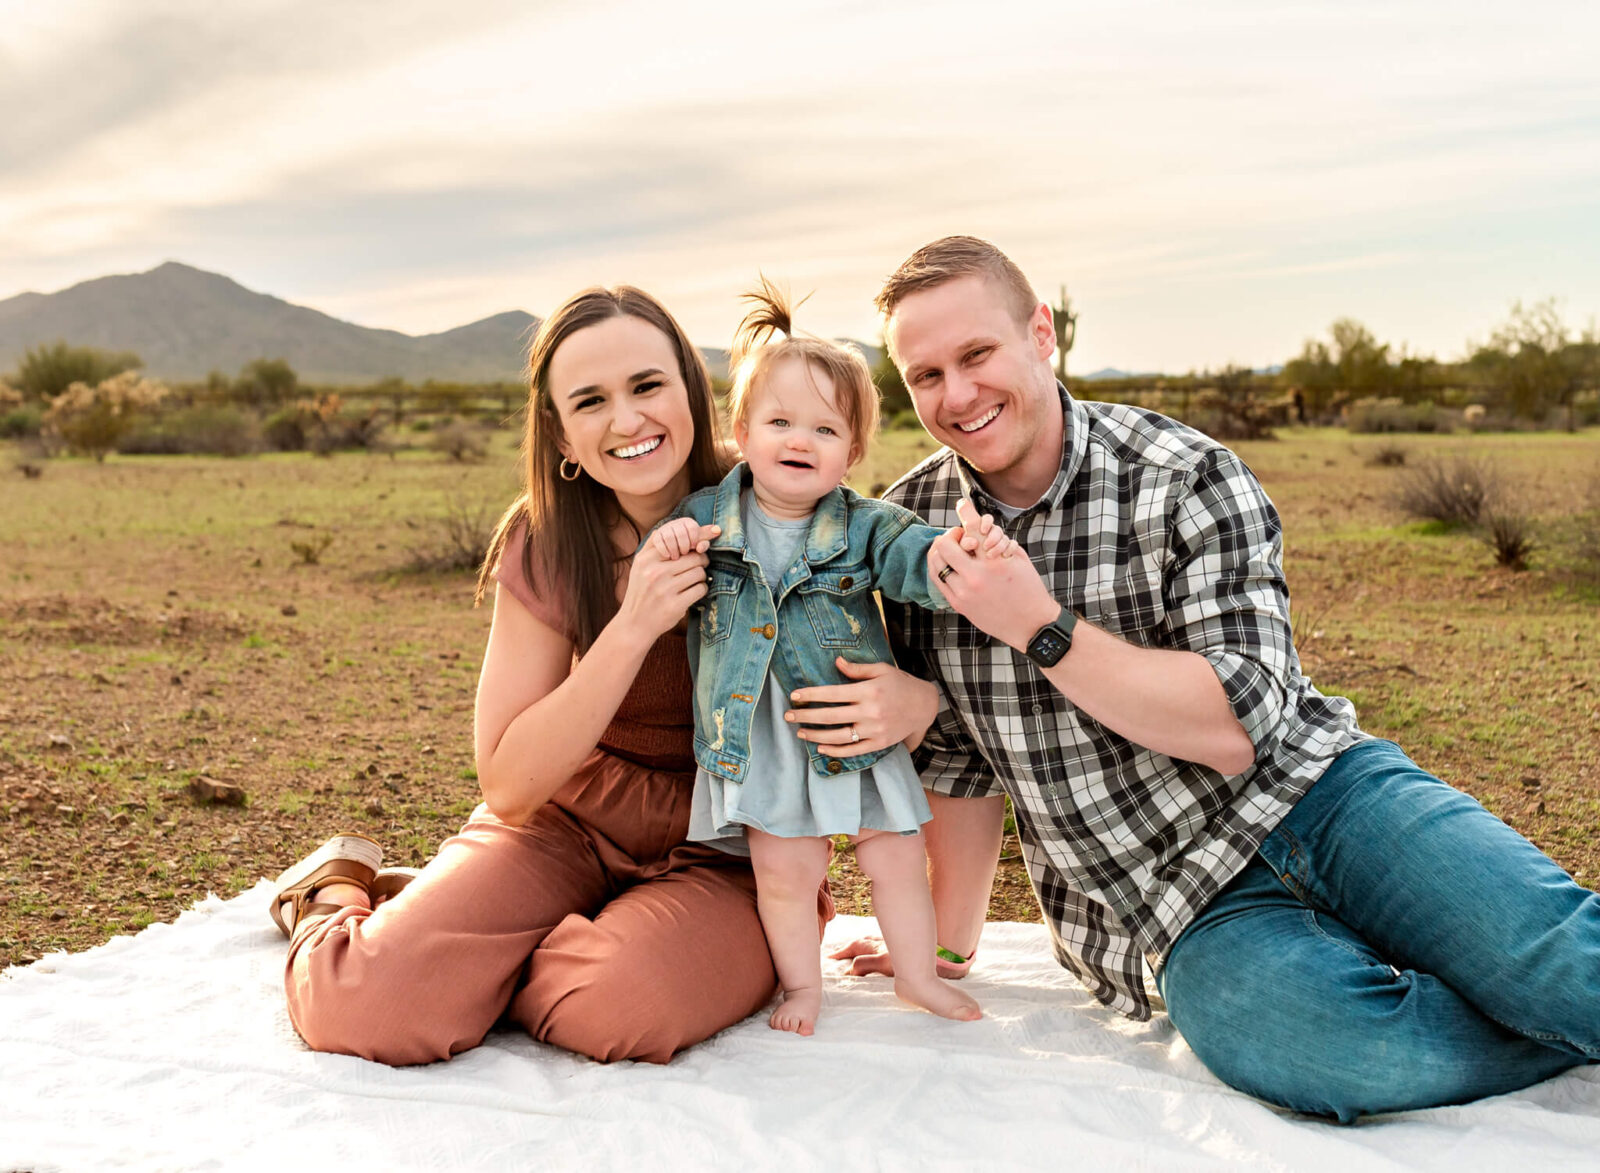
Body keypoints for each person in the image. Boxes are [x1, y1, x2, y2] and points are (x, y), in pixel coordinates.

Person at [833, 234, 1600, 1121]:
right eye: (925, 375)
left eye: (976, 354)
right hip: (1173, 902)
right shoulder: (914, 533)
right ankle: (1524, 1023)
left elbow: (1237, 724)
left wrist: (1039, 625)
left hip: (1324, 798)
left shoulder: (1182, 471)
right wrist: (947, 948)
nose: (956, 394)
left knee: (1559, 957)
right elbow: (964, 758)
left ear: (1042, 333)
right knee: (1332, 1048)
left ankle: (1529, 990)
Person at [267, 284, 807, 1065]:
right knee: (367, 1005)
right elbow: (510, 785)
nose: (627, 420)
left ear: (693, 387)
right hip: (569, 819)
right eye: (590, 401)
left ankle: (478, 954)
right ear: (559, 429)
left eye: (648, 385)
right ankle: (333, 894)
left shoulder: (781, 503)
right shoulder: (548, 537)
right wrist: (633, 625)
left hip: (731, 846)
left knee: (620, 1006)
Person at [649, 282, 1006, 1035]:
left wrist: (954, 555)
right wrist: (668, 545)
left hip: (855, 730)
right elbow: (659, 563)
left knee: (897, 857)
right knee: (786, 873)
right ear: (743, 432)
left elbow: (916, 563)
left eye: (823, 428)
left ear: (852, 451)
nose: (799, 441)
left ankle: (916, 976)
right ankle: (803, 987)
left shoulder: (869, 525)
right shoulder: (706, 518)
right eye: (779, 421)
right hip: (763, 736)